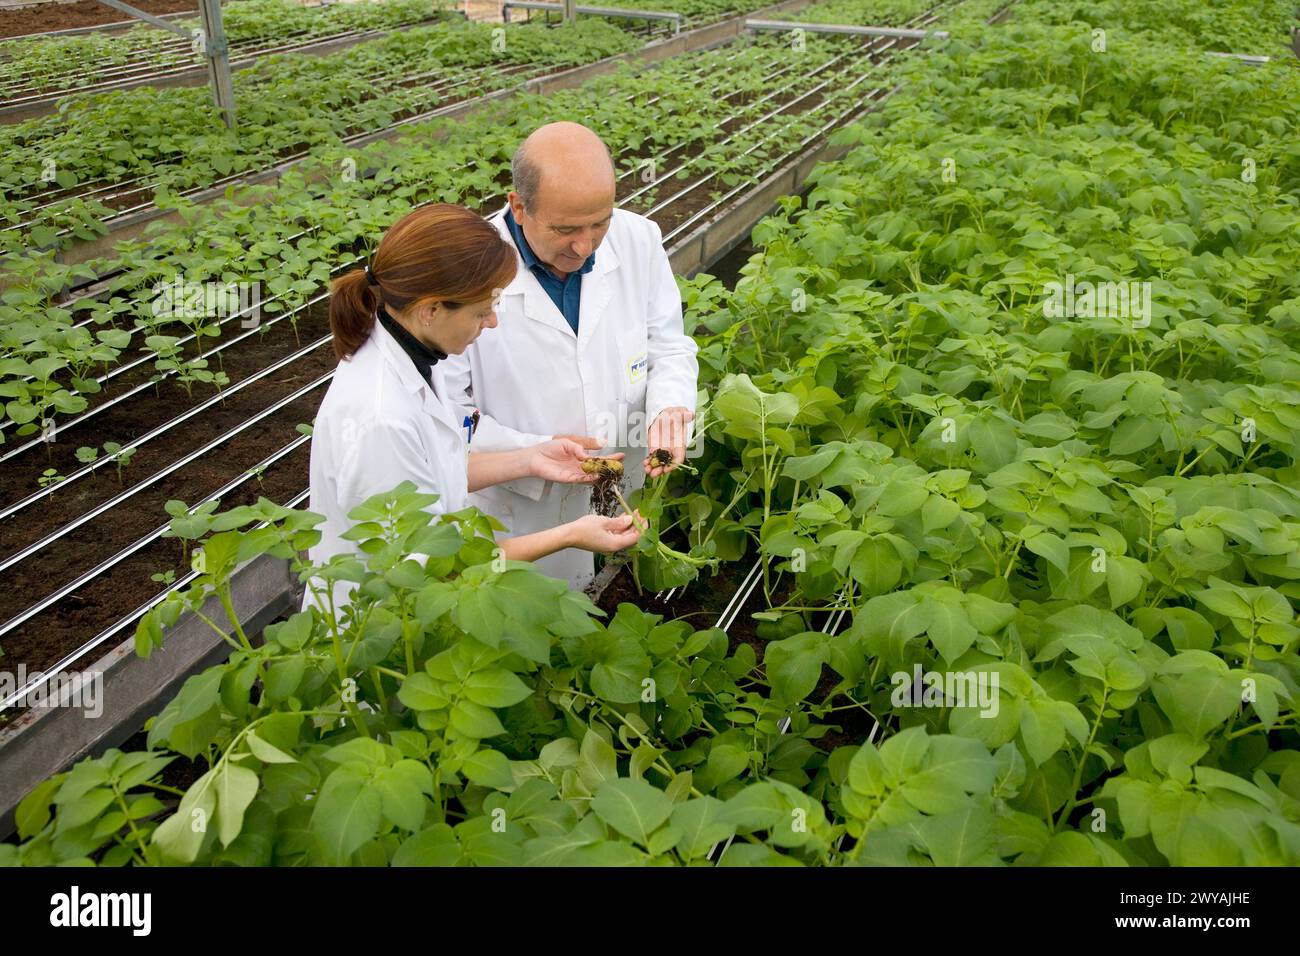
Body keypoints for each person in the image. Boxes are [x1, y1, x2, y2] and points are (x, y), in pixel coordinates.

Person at [305, 203, 643, 611]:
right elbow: (435, 574)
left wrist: (531, 459)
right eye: (482, 311)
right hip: (378, 635)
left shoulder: (411, 355)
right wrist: (570, 535)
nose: (492, 323)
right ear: (430, 310)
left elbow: (432, 472)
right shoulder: (380, 418)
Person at [442, 121, 700, 590]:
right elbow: (449, 414)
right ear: (518, 207)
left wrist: (669, 410)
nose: (585, 245)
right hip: (521, 508)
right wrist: (528, 452)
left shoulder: (638, 239)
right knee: (530, 618)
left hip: (619, 486)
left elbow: (668, 344)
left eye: (600, 222)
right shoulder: (466, 272)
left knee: (604, 596)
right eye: (565, 229)